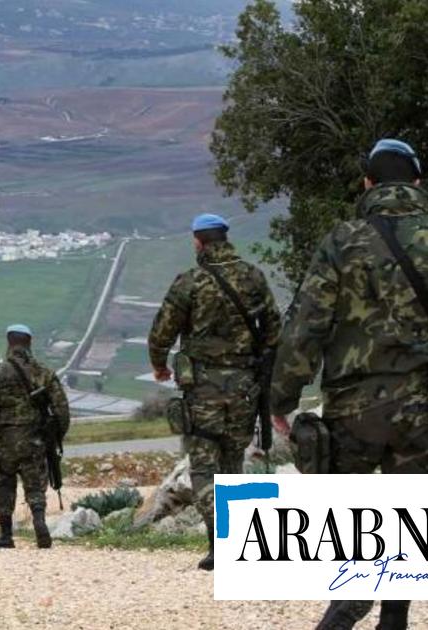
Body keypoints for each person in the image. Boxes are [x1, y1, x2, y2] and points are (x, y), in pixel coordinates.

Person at [268, 139, 428, 630]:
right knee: (409, 523)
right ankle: (392, 618)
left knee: (354, 523)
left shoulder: (341, 242)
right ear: (416, 183)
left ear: (367, 184)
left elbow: (308, 324)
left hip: (353, 408)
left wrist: (282, 396)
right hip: (423, 405)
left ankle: (345, 611)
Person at [147, 212, 281, 571]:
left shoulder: (190, 282)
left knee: (204, 467)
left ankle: (220, 538)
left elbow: (162, 331)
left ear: (198, 242)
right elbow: (273, 329)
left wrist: (159, 366)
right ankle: (235, 542)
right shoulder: (253, 276)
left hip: (203, 387)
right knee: (232, 463)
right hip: (244, 387)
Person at [0, 324, 70, 549]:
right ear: (30, 342)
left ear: (9, 342)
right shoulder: (43, 372)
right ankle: (40, 524)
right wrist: (55, 436)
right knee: (35, 486)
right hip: (34, 440)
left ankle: (6, 535)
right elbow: (62, 409)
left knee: (5, 485)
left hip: (5, 441)